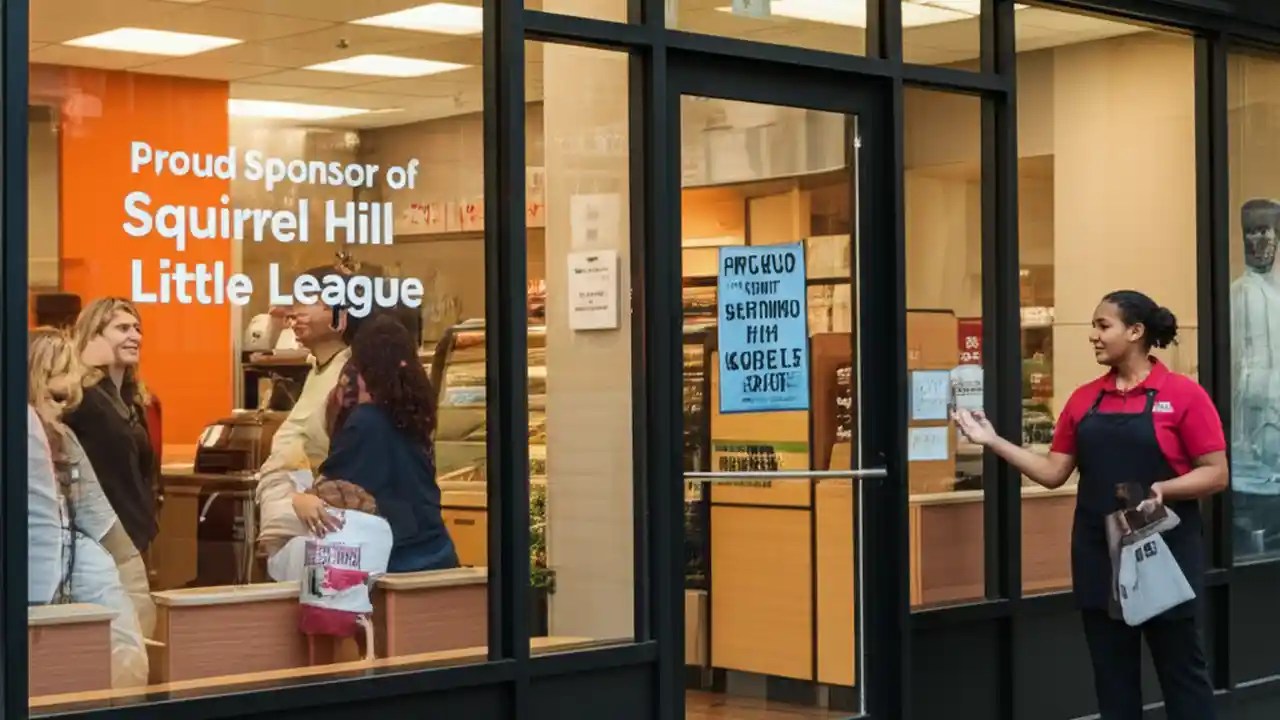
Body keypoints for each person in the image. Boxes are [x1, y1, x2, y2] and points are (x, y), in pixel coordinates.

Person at [954, 290, 1227, 720]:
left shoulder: (1183, 395)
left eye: (1103, 326)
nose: (1093, 337)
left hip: (1167, 556)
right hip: (1100, 557)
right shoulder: (1084, 400)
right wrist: (992, 440)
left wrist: (1165, 489)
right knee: (1112, 682)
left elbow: (1216, 472)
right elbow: (1052, 473)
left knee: (1183, 679)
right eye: (1094, 327)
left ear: (1135, 332)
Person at [288, 314, 458, 573]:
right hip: (438, 554)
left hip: (395, 563)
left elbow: (332, 496)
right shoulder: (416, 416)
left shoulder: (366, 421)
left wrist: (301, 500)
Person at [28, 327, 148, 687]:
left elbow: (101, 521)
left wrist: (138, 593)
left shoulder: (65, 439)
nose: (67, 388)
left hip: (76, 570)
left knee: (123, 656)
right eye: (54, 373)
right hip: (35, 582)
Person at [66, 298, 158, 636]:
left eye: (137, 329)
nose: (135, 336)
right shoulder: (80, 397)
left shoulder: (134, 400)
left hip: (135, 535)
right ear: (93, 334)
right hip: (99, 538)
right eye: (122, 328)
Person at [1230, 198, 1280, 554]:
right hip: (1251, 424)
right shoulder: (1240, 292)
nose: (1258, 242)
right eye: (1250, 233)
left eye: (1265, 231)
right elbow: (1239, 367)